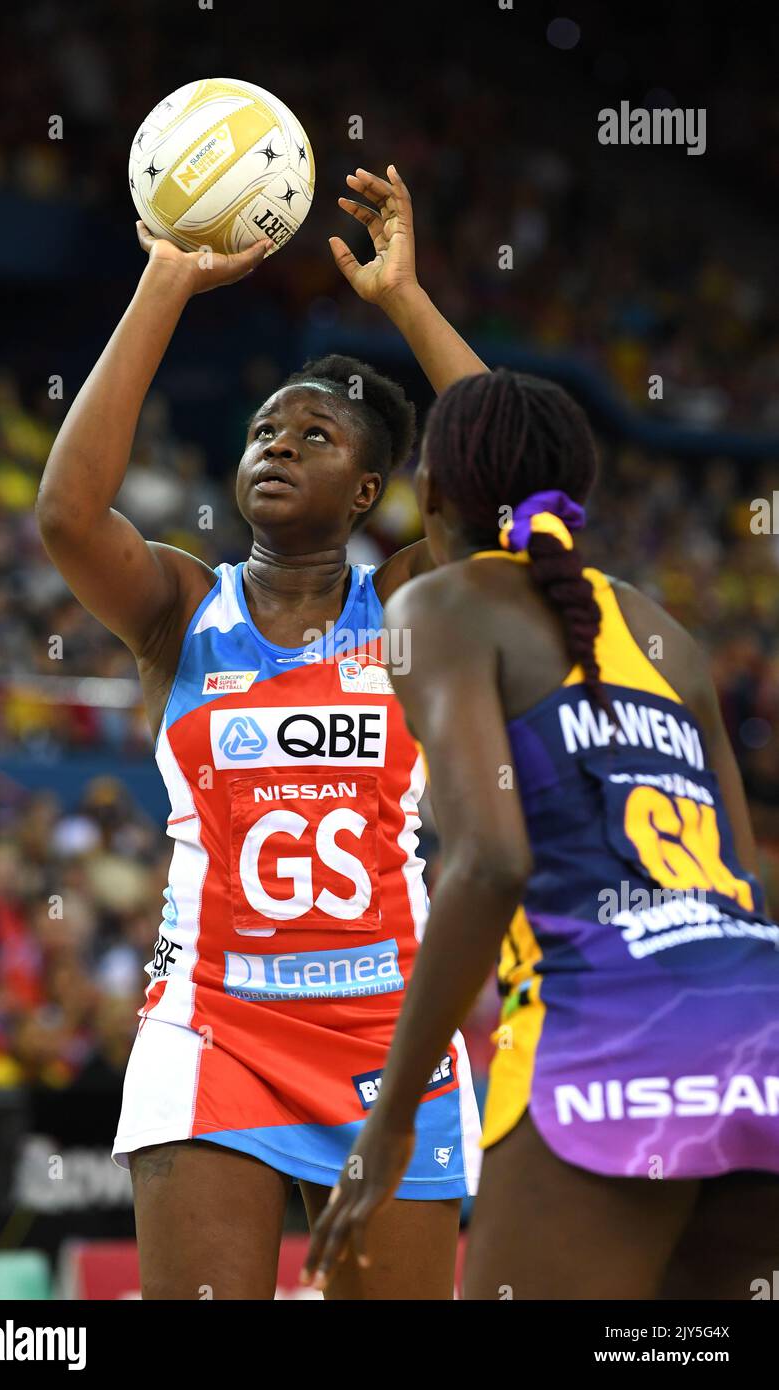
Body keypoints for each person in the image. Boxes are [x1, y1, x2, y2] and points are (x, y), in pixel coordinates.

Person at [36, 167, 486, 1299]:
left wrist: (405, 302)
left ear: (371, 485)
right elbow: (65, 514)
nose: (278, 444)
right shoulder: (184, 608)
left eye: (316, 434)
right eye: (263, 430)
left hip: (393, 1035)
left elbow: (520, 489)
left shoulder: (414, 608)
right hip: (217, 1024)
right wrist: (165, 282)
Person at [302, 367, 779, 1300]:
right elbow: (746, 879)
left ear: (429, 490)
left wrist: (392, 1119)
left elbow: (491, 861)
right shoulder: (668, 637)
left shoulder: (438, 608)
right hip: (758, 1031)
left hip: (609, 1037)